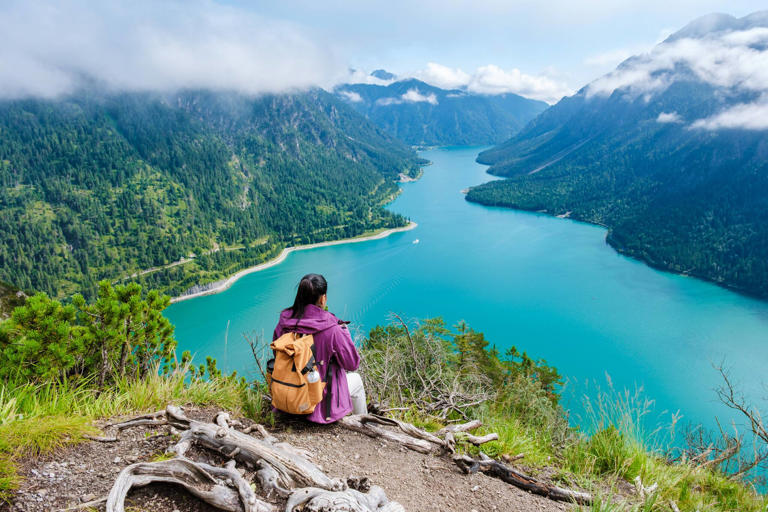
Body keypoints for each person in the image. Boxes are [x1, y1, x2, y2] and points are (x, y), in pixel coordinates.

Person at [272, 273, 367, 423]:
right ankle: (364, 424)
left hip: (289, 396)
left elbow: (277, 354)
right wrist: (344, 331)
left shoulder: (284, 322)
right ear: (323, 298)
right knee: (357, 379)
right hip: (320, 405)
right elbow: (352, 364)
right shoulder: (332, 328)